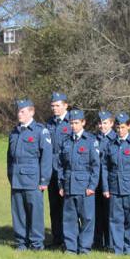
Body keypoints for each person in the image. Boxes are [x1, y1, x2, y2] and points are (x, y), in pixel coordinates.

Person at [8, 98, 53, 250]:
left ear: (31, 112)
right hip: (16, 179)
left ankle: (36, 243)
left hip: (33, 180)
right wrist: (10, 176)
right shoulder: (14, 132)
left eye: (22, 111)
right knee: (18, 213)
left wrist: (44, 180)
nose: (19, 114)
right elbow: (10, 158)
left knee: (35, 213)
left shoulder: (40, 131)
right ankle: (21, 242)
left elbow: (46, 157)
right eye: (18, 111)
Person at [101, 112, 130, 255]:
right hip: (115, 188)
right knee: (115, 220)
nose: (120, 130)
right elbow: (105, 167)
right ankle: (118, 248)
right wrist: (106, 188)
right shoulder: (110, 145)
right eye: (118, 128)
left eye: (123, 127)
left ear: (129, 127)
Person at [58, 109, 100, 254]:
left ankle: (84, 248)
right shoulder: (66, 141)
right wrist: (61, 184)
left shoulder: (90, 141)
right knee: (69, 219)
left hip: (85, 187)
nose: (73, 126)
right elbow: (61, 165)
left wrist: (92, 186)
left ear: (83, 123)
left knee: (87, 219)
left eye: (76, 123)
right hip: (69, 186)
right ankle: (71, 248)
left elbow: (96, 166)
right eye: (71, 123)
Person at [46, 92, 71, 248]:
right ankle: (57, 239)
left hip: (67, 171)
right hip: (51, 171)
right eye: (53, 106)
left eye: (58, 105)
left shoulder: (72, 122)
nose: (54, 108)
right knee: (54, 207)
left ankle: (70, 241)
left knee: (69, 208)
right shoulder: (49, 123)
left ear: (65, 106)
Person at [93, 111, 116, 250]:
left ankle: (110, 242)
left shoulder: (115, 139)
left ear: (112, 124)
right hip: (96, 182)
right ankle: (97, 242)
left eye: (105, 123)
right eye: (100, 123)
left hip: (110, 181)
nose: (102, 126)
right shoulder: (93, 139)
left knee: (110, 213)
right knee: (96, 213)